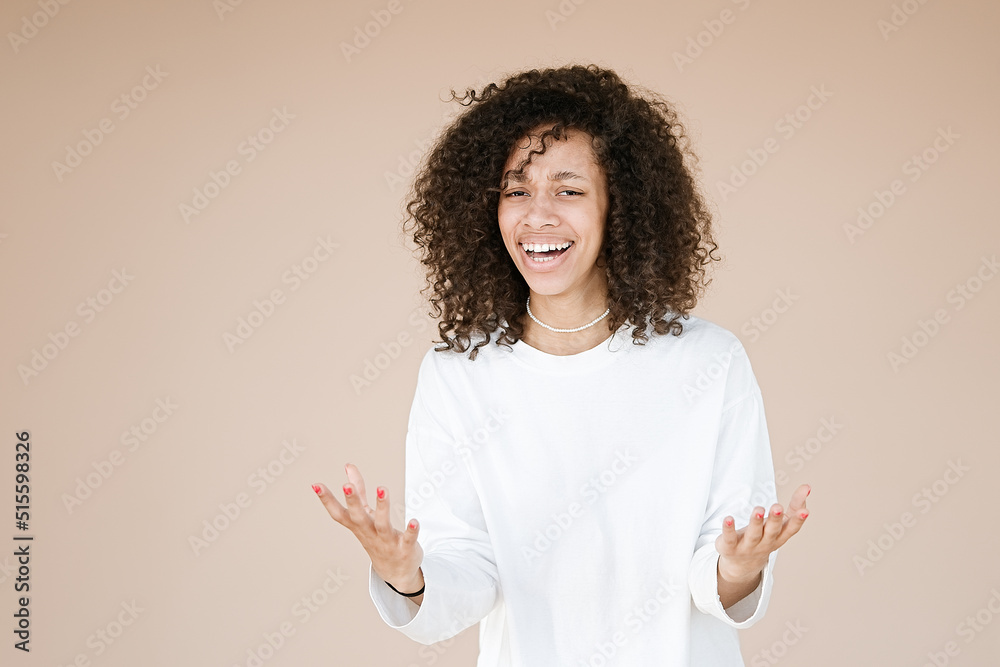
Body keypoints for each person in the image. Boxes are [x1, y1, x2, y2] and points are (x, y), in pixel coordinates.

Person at [313, 63, 810, 666]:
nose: (537, 216)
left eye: (569, 191)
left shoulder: (708, 361)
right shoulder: (460, 372)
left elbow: (721, 575)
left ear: (619, 208)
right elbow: (465, 571)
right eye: (517, 190)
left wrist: (737, 567)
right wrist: (407, 572)